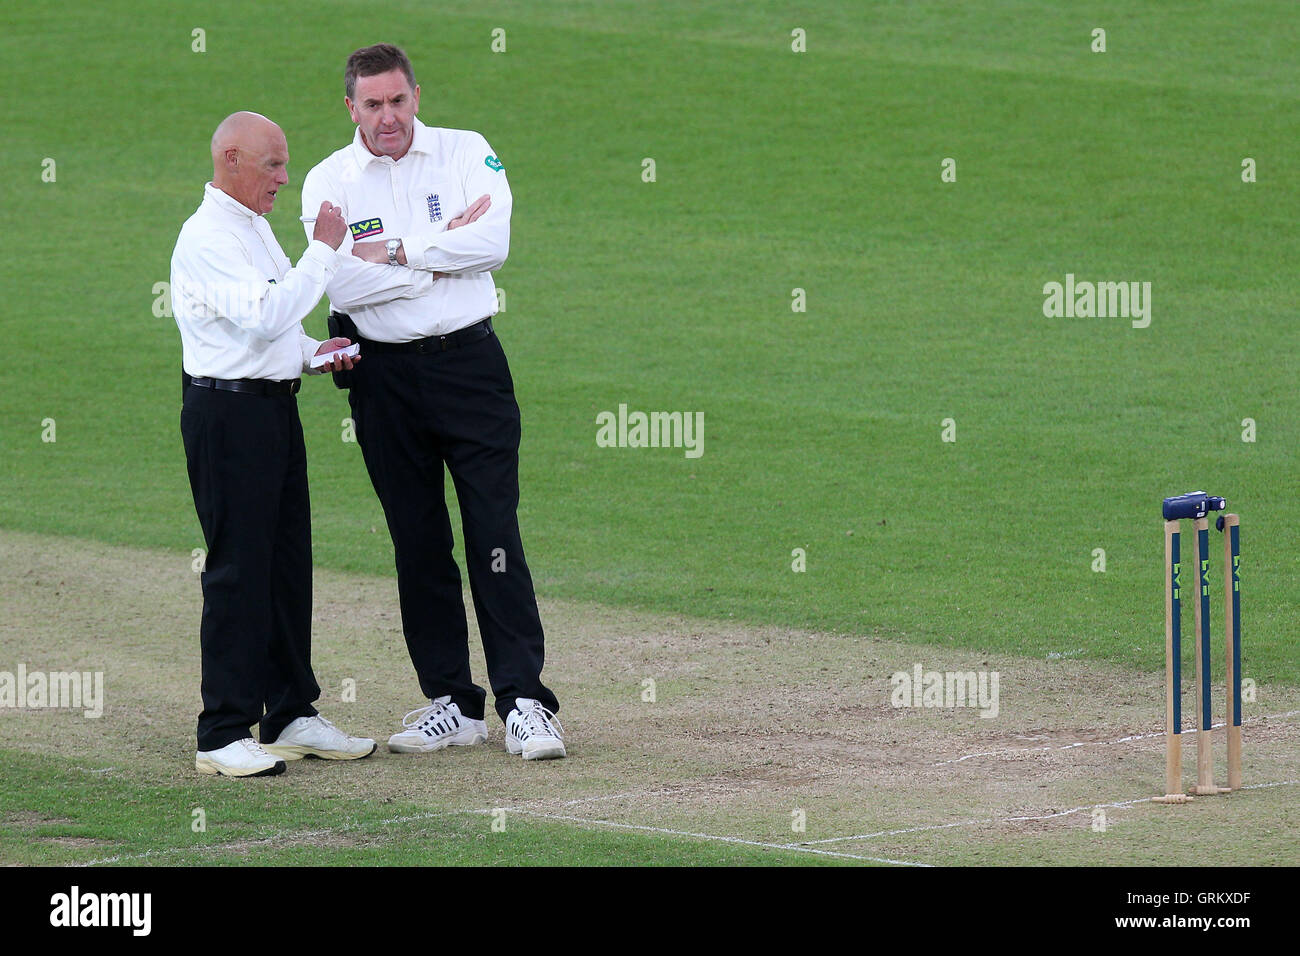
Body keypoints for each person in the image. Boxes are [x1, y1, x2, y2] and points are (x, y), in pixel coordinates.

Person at [300, 44, 566, 760]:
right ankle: (454, 700)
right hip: (382, 378)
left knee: (495, 534)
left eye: (398, 100)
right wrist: (444, 244)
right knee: (417, 540)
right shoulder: (329, 181)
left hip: (470, 366)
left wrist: (396, 252)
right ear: (350, 107)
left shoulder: (465, 151)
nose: (388, 117)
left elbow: (495, 244)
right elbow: (342, 288)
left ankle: (525, 703)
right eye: (372, 104)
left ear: (416, 94)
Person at [172, 111, 375, 777]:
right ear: (229, 158)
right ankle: (222, 730)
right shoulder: (205, 237)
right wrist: (323, 248)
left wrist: (316, 354)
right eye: (273, 166)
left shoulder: (251, 228)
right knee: (239, 567)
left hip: (272, 412)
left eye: (286, 166)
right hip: (227, 417)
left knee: (287, 562)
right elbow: (264, 314)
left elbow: (273, 328)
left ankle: (288, 712)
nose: (284, 179)